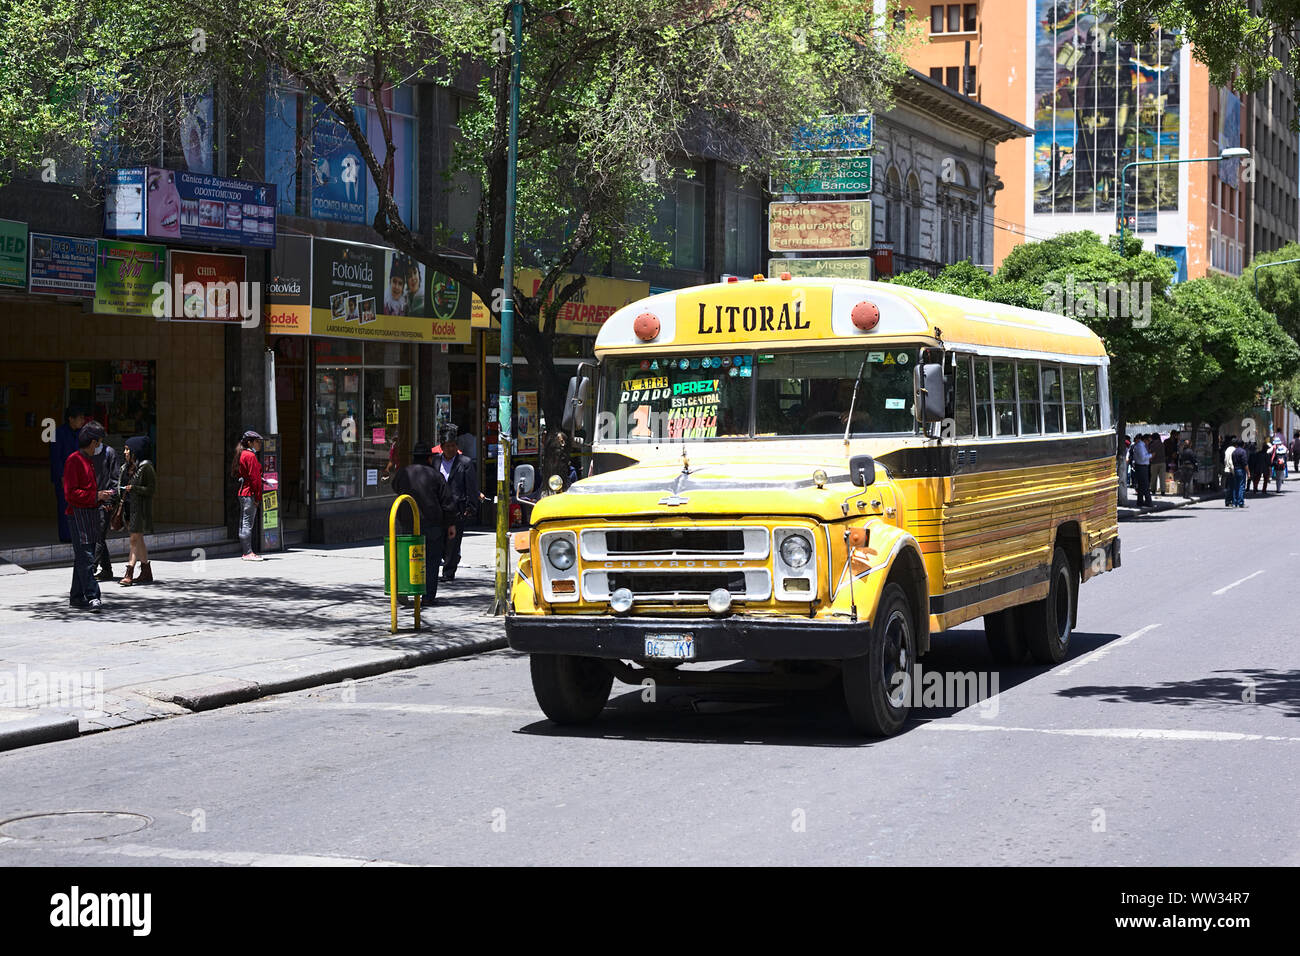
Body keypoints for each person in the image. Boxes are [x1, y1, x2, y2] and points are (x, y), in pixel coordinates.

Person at [391, 442, 457, 605]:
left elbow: (394, 487)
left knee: (408, 557)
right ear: (429, 458)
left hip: (409, 523)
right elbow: (447, 502)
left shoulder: (403, 473)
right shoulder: (435, 476)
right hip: (432, 524)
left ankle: (405, 590)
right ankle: (427, 596)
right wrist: (451, 524)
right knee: (432, 560)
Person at [64, 422, 114, 610]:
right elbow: (70, 493)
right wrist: (96, 496)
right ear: (93, 443)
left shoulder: (88, 460)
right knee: (86, 556)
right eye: (99, 443)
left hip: (90, 513)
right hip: (77, 515)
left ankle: (76, 596)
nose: (99, 447)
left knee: (83, 557)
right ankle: (93, 595)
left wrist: (101, 497)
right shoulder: (74, 460)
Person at [437, 425, 479, 581]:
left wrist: (471, 506)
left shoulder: (465, 463)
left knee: (453, 541)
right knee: (440, 539)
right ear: (442, 447)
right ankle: (449, 560)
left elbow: (471, 486)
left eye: (453, 446)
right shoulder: (436, 462)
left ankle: (449, 572)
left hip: (457, 507)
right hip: (439, 508)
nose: (450, 449)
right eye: (447, 446)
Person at [117, 436, 156, 586]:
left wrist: (135, 488)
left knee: (133, 540)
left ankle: (129, 573)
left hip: (139, 510)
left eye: (128, 449)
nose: (125, 452)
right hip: (128, 509)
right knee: (139, 540)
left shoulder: (146, 467)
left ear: (136, 451)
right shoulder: (125, 467)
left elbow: (151, 489)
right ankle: (146, 571)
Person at [50, 406, 87, 542]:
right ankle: (66, 536)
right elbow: (56, 457)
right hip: (64, 476)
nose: (82, 421)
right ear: (71, 419)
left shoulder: (82, 434)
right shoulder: (58, 434)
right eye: (80, 418)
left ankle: (78, 534)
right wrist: (61, 476)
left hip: (79, 476)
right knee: (64, 505)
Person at [231, 430, 265, 560]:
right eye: (257, 442)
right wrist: (258, 498)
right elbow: (255, 479)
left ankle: (247, 551)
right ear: (250, 443)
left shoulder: (243, 454)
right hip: (249, 493)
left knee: (244, 522)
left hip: (244, 492)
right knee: (247, 523)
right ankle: (248, 552)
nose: (259, 444)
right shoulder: (250, 456)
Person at [93, 437, 122, 581]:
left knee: (98, 536)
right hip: (91, 500)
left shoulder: (109, 453)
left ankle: (90, 567)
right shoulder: (86, 452)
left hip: (105, 502)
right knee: (98, 536)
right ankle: (106, 570)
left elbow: (115, 479)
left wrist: (110, 499)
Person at [1128, 431, 1153, 507]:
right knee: (1145, 485)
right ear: (1145, 440)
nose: (1149, 443)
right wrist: (1151, 455)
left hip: (1141, 466)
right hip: (1142, 466)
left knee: (1142, 485)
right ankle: (1148, 502)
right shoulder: (1141, 446)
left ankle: (1140, 501)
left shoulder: (1140, 445)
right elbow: (1143, 458)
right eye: (1149, 441)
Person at [1231, 437, 1249, 508]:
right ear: (1243, 444)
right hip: (1241, 470)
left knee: (1236, 486)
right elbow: (1245, 463)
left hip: (1235, 469)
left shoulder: (1234, 452)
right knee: (1241, 486)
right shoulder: (1243, 452)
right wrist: (1248, 472)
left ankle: (1235, 502)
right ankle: (1241, 502)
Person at [1148, 432, 1166, 496]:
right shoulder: (1162, 444)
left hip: (1154, 463)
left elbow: (1152, 453)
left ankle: (1153, 490)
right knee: (1162, 478)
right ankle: (1163, 491)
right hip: (1162, 462)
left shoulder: (1152, 444)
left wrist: (1149, 459)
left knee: (1154, 477)